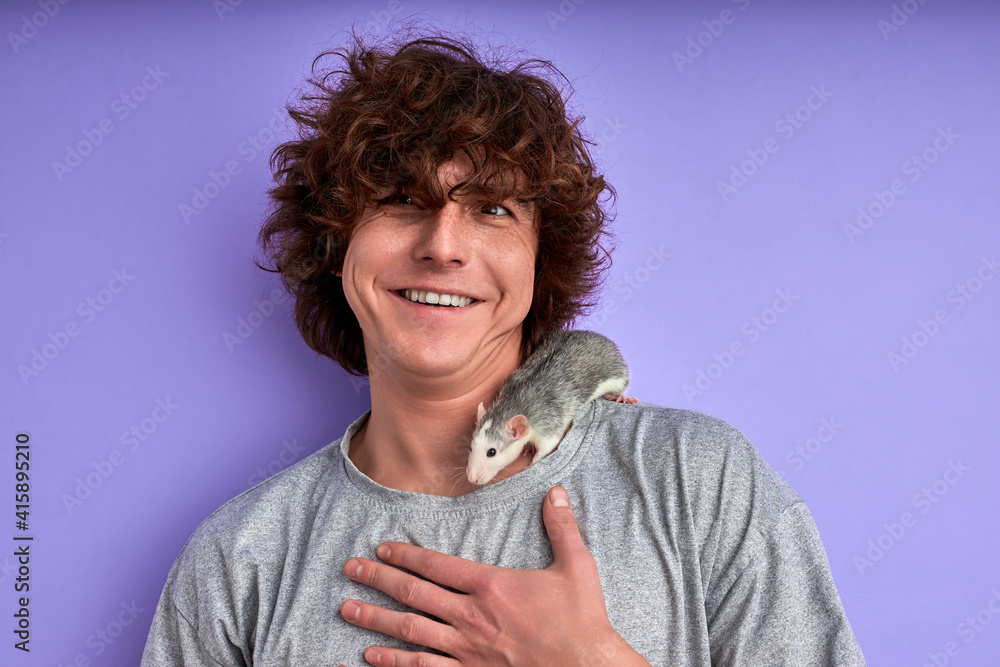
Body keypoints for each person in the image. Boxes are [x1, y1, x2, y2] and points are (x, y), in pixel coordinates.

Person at [140, 25, 867, 666]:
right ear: (338, 244)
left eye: (491, 208)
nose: (443, 246)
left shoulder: (697, 482)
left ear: (538, 259)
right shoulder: (239, 561)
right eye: (401, 199)